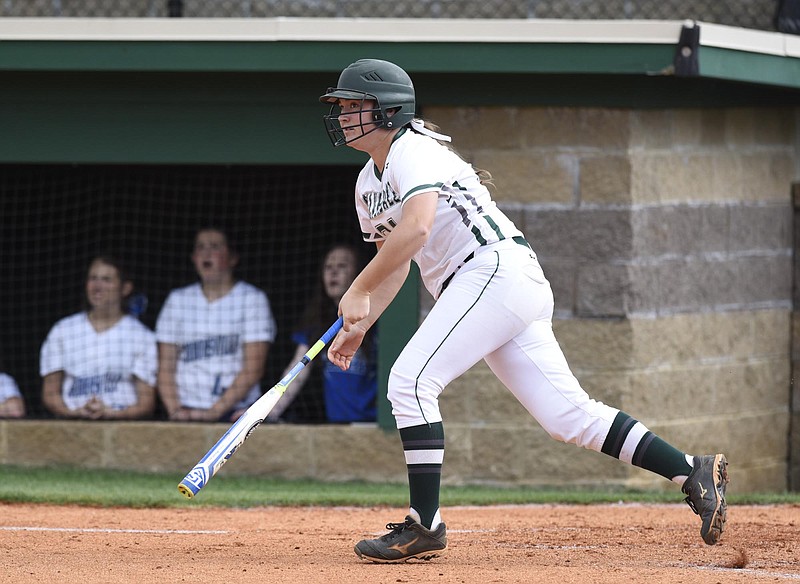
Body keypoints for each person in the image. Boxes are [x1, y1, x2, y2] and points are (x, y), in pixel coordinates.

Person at [319, 59, 729, 563]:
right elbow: (399, 264)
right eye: (340, 107)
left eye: (352, 106)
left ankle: (424, 524)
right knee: (568, 416)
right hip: (494, 283)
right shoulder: (367, 184)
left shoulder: (414, 148)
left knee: (410, 382)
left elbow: (419, 229)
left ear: (386, 111)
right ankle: (693, 470)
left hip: (492, 271)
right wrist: (363, 322)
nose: (342, 115)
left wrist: (358, 288)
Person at [156, 227, 276, 422]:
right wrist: (175, 411)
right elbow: (165, 367)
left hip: (237, 414)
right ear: (193, 257)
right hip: (186, 412)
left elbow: (254, 367)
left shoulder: (252, 299)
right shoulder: (177, 300)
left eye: (214, 247)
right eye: (200, 247)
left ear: (232, 258)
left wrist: (213, 413)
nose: (206, 253)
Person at [268, 243, 377, 424]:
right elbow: (298, 370)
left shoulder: (376, 320)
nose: (333, 272)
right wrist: (269, 411)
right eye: (328, 267)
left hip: (373, 425)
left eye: (342, 266)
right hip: (335, 424)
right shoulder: (317, 323)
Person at [40, 256, 157, 420]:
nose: (97, 286)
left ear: (125, 288)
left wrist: (112, 413)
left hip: (122, 429)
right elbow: (50, 393)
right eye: (93, 278)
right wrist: (75, 413)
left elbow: (146, 403)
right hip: (71, 426)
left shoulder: (142, 336)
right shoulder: (63, 329)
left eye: (106, 280)